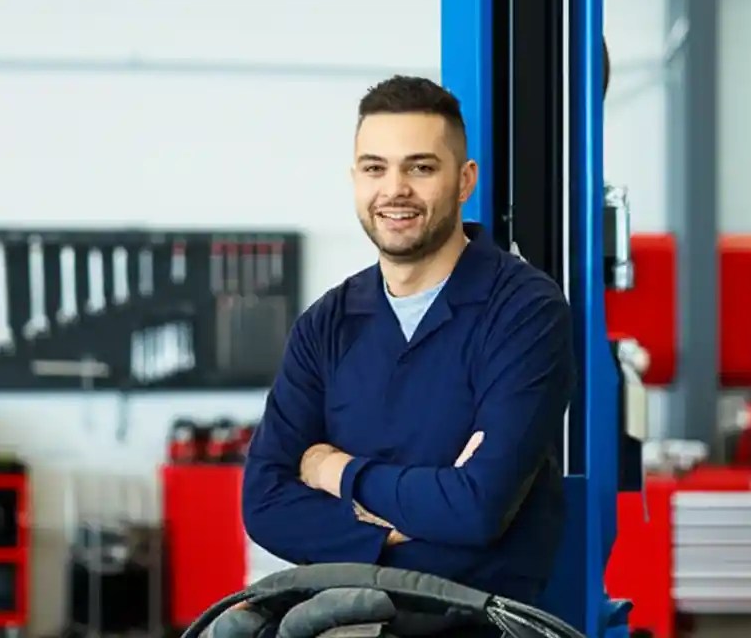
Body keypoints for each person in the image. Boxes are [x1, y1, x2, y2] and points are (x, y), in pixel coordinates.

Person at [240, 75, 579, 605]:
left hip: (480, 623)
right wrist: (410, 524)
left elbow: (477, 509)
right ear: (355, 179)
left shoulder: (524, 311)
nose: (394, 189)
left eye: (420, 167)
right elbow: (263, 504)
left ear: (465, 181)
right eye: (375, 168)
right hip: (345, 616)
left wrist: (334, 470)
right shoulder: (326, 324)